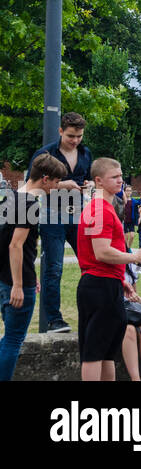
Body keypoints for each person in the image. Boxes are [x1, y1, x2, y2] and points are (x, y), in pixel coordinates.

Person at [77, 157, 141, 381]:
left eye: (121, 175)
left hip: (106, 283)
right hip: (98, 285)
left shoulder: (102, 207)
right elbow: (101, 252)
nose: (121, 180)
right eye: (115, 177)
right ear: (99, 181)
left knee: (107, 352)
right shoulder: (99, 209)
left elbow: (98, 254)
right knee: (94, 352)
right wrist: (135, 256)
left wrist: (120, 280)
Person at [0, 153, 68, 381]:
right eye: (57, 182)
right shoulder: (30, 203)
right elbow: (15, 245)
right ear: (46, 179)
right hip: (16, 283)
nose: (57, 187)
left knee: (9, 338)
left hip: (6, 278)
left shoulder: (12, 197)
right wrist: (18, 284)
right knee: (13, 340)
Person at [31, 111, 94, 333]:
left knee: (90, 264)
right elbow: (33, 185)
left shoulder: (86, 153)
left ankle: (94, 313)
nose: (75, 140)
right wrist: (63, 184)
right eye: (70, 136)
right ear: (60, 131)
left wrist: (86, 185)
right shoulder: (45, 154)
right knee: (54, 269)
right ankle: (54, 320)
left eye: (79, 136)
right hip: (52, 214)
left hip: (78, 213)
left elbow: (88, 177)